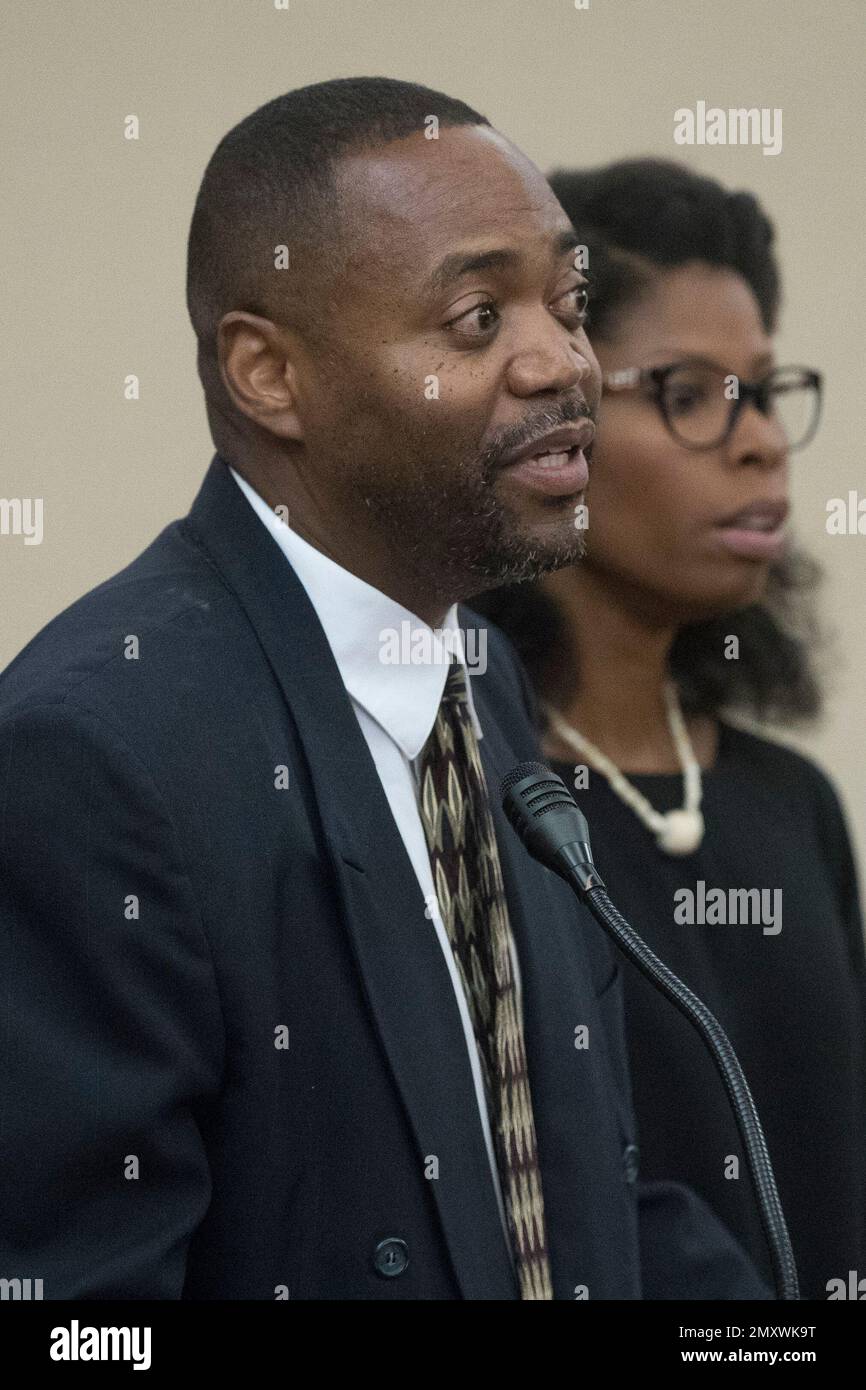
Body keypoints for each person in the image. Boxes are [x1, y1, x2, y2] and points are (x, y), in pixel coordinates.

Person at [0, 86, 769, 1300]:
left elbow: (568, 1195)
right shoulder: (93, 754)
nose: (561, 361)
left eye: (565, 307)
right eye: (475, 319)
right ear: (268, 373)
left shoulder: (483, 675)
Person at [471, 158, 866, 1300]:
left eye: (762, 388)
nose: (759, 444)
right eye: (689, 393)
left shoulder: (786, 801)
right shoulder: (476, 803)